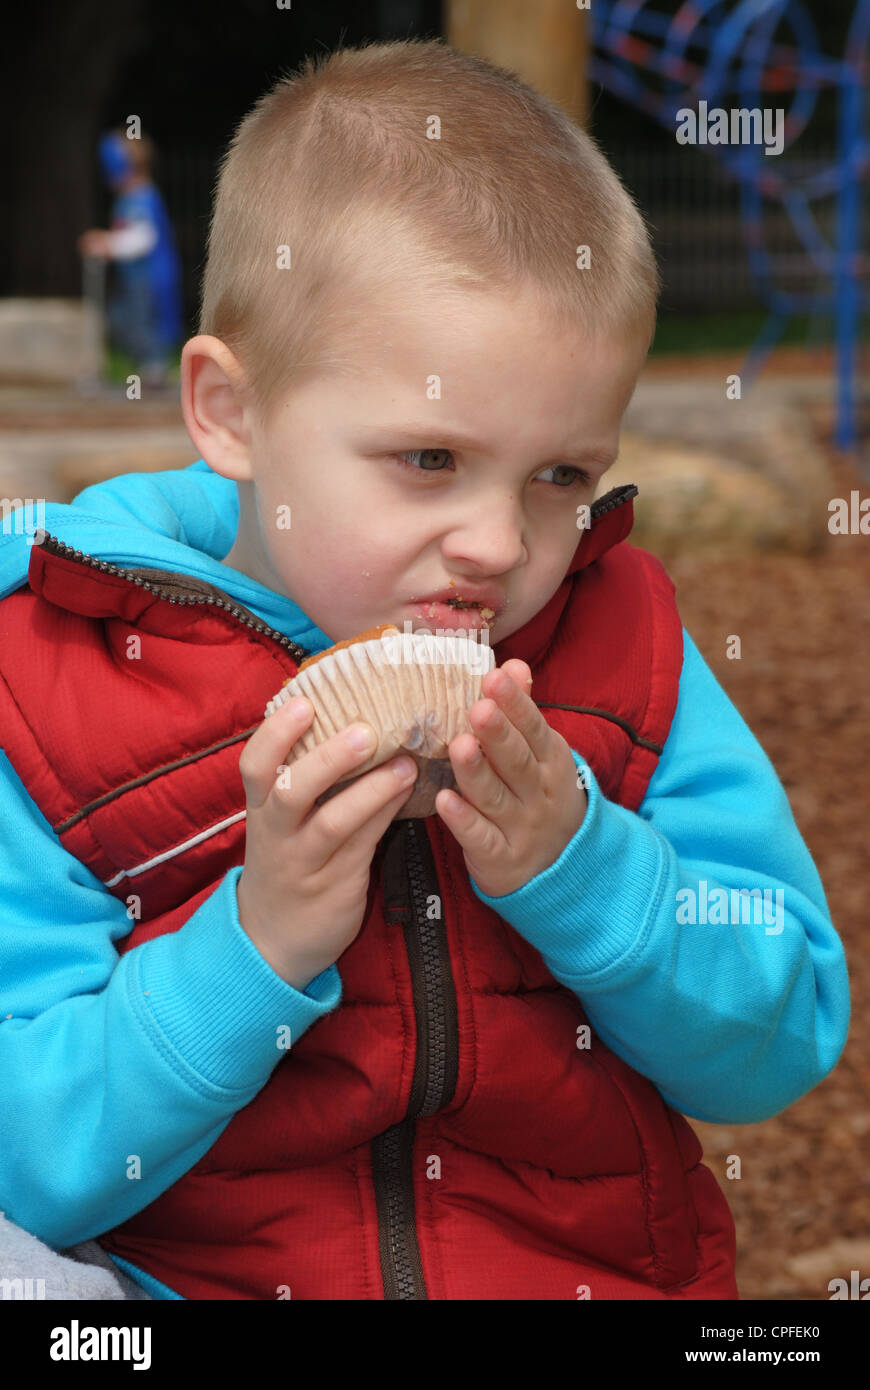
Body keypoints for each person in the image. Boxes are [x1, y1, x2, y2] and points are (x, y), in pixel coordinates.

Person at [0, 38, 849, 1301]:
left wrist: (587, 869)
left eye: (562, 474)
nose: (504, 547)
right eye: (431, 462)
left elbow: (779, 1042)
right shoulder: (54, 683)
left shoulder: (625, 654)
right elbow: (34, 1161)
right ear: (232, 413)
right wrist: (261, 939)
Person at [77, 129, 182, 389]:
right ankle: (147, 368)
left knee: (143, 321)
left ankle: (154, 369)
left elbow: (143, 239)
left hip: (149, 277)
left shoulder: (142, 199)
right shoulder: (130, 199)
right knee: (122, 319)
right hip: (135, 278)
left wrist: (107, 244)